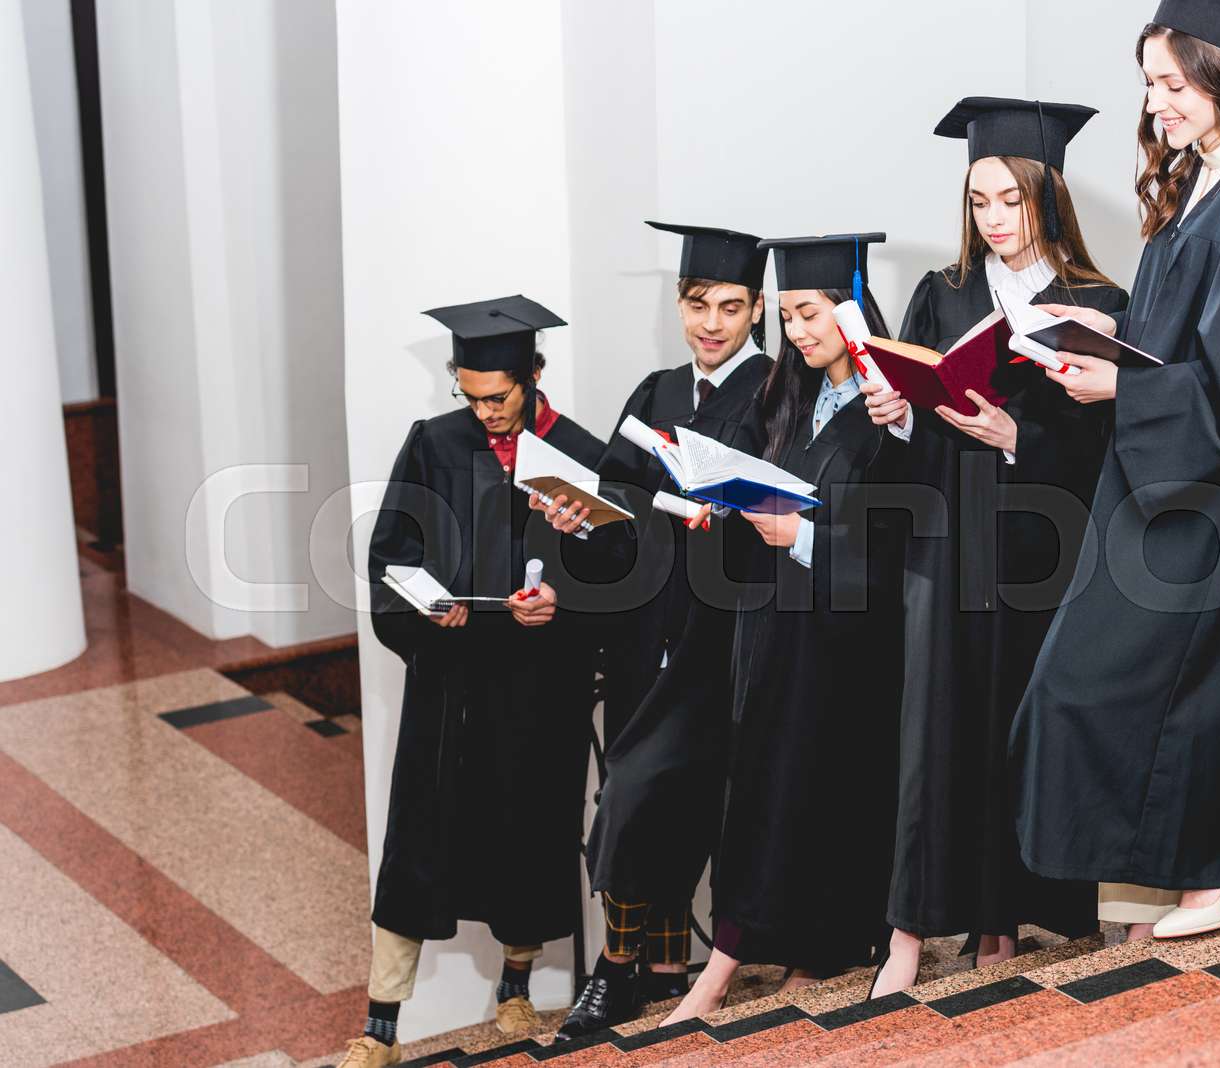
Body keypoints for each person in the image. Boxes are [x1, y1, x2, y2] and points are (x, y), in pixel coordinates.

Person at [1010, 0, 1220, 943]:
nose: (1157, 104)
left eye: (1172, 83)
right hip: (1166, 477)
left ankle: (1219, 873)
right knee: (1122, 689)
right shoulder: (1201, 181)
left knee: (1176, 687)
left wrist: (1125, 386)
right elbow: (1193, 334)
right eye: (1150, 83)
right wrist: (1113, 342)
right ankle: (1204, 873)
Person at [865, 98, 1130, 998]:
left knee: (1028, 732)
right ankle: (909, 934)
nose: (994, 220)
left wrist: (1018, 438)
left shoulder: (1099, 304)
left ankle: (1008, 922)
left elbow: (1114, 448)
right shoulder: (942, 293)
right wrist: (896, 415)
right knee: (934, 737)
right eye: (980, 202)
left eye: (1011, 200)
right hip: (947, 543)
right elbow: (906, 414)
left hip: (1044, 549)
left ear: (1049, 198)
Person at [345, 296, 603, 1067]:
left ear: (533, 376)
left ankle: (515, 988)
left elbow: (618, 567)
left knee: (529, 832)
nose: (484, 411)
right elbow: (391, 553)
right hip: (452, 682)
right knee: (420, 839)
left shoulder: (579, 453)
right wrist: (428, 609)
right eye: (470, 395)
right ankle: (380, 1024)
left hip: (537, 684)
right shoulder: (432, 444)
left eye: (498, 396)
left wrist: (563, 602)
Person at [661, 234, 907, 1023]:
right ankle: (749, 963)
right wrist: (722, 503)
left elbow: (896, 541)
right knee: (766, 791)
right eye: (791, 317)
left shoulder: (888, 412)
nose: (797, 333)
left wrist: (799, 537)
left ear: (852, 309)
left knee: (820, 795)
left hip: (845, 644)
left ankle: (765, 964)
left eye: (810, 314)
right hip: (776, 628)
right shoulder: (789, 397)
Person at [544, 222, 775, 1038]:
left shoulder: (776, 394)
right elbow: (616, 525)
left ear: (756, 309)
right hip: (647, 633)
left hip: (726, 637)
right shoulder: (656, 392)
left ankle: (639, 972)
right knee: (634, 797)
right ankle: (638, 970)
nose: (711, 323)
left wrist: (731, 516)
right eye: (695, 304)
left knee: (683, 803)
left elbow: (787, 514)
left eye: (729, 306)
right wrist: (579, 520)